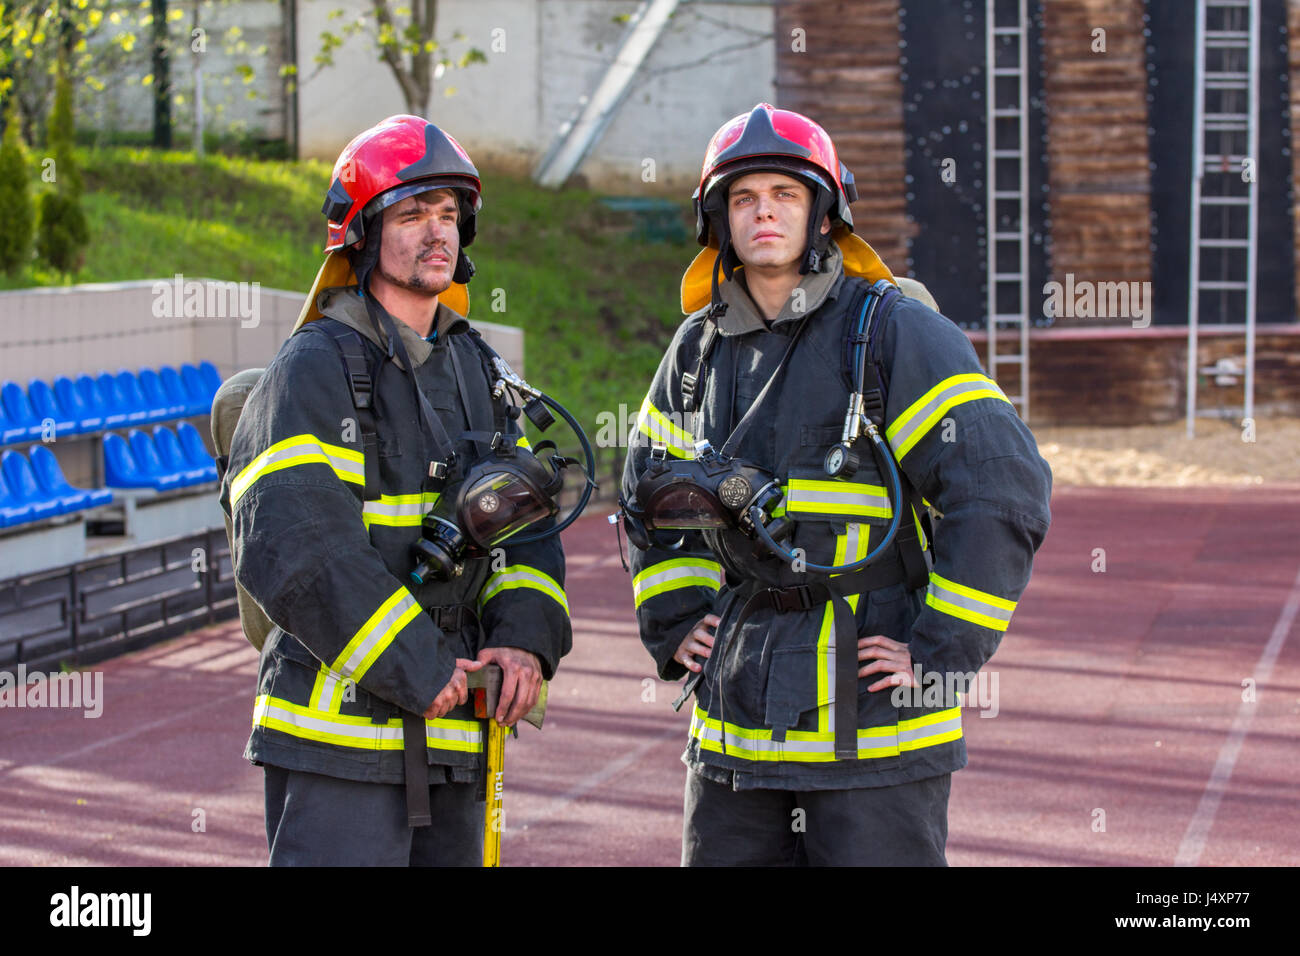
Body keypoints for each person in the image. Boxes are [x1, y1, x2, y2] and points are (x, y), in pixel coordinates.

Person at [621, 103, 1052, 866]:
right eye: (744, 198)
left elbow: (1000, 485)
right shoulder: (695, 353)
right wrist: (676, 617)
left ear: (825, 216)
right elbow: (652, 500)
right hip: (737, 730)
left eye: (786, 195)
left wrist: (939, 648)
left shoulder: (892, 332)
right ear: (718, 219)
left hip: (874, 733)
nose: (764, 213)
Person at [221, 114, 571, 866]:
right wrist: (416, 664)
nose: (436, 231)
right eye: (412, 214)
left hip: (457, 738)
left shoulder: (478, 370)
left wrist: (523, 641)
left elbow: (525, 527)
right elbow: (295, 544)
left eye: (448, 215)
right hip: (338, 745)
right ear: (362, 233)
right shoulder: (312, 369)